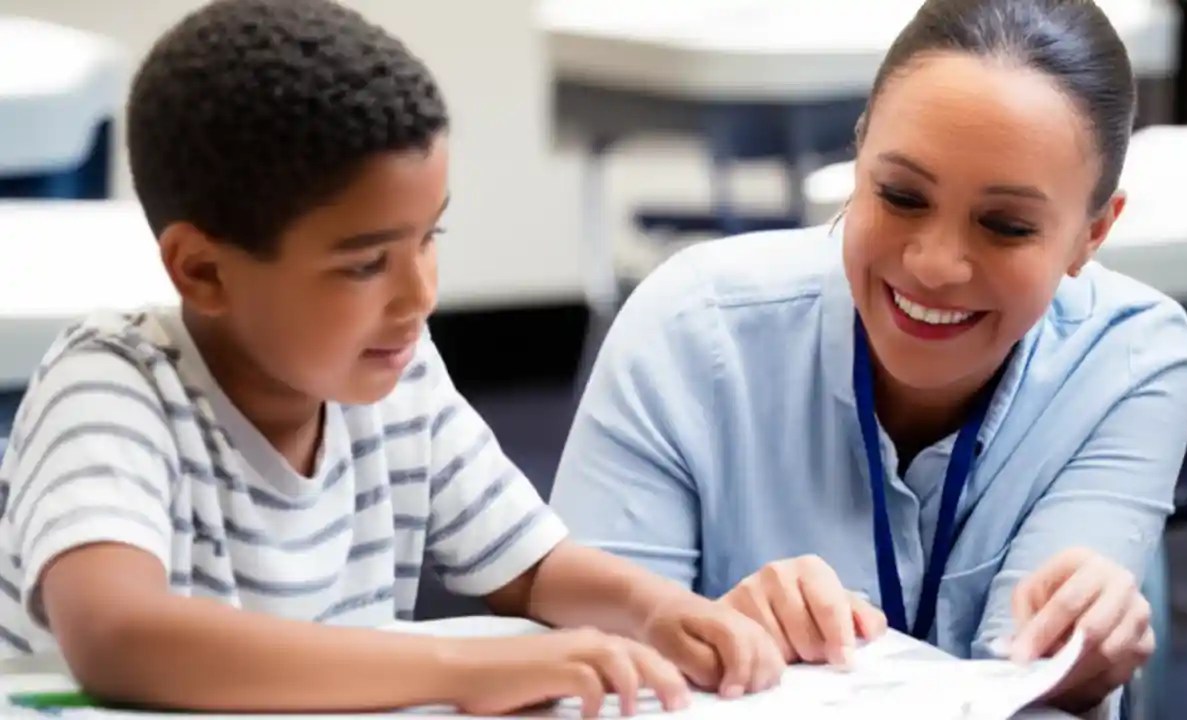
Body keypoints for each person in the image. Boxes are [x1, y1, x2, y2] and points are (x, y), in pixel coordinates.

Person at [0, 1, 787, 715]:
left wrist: (660, 610)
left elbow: (532, 568)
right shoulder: (109, 385)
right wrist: (455, 667)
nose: (420, 297)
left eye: (429, 238)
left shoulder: (397, 371)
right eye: (365, 264)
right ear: (204, 272)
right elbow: (119, 637)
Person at [551, 0, 1187, 714]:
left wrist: (1080, 662)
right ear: (858, 157)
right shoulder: (689, 332)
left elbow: (1026, 686)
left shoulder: (1131, 358)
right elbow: (586, 681)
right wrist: (706, 642)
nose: (935, 264)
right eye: (899, 196)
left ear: (1093, 234)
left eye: (1006, 226)